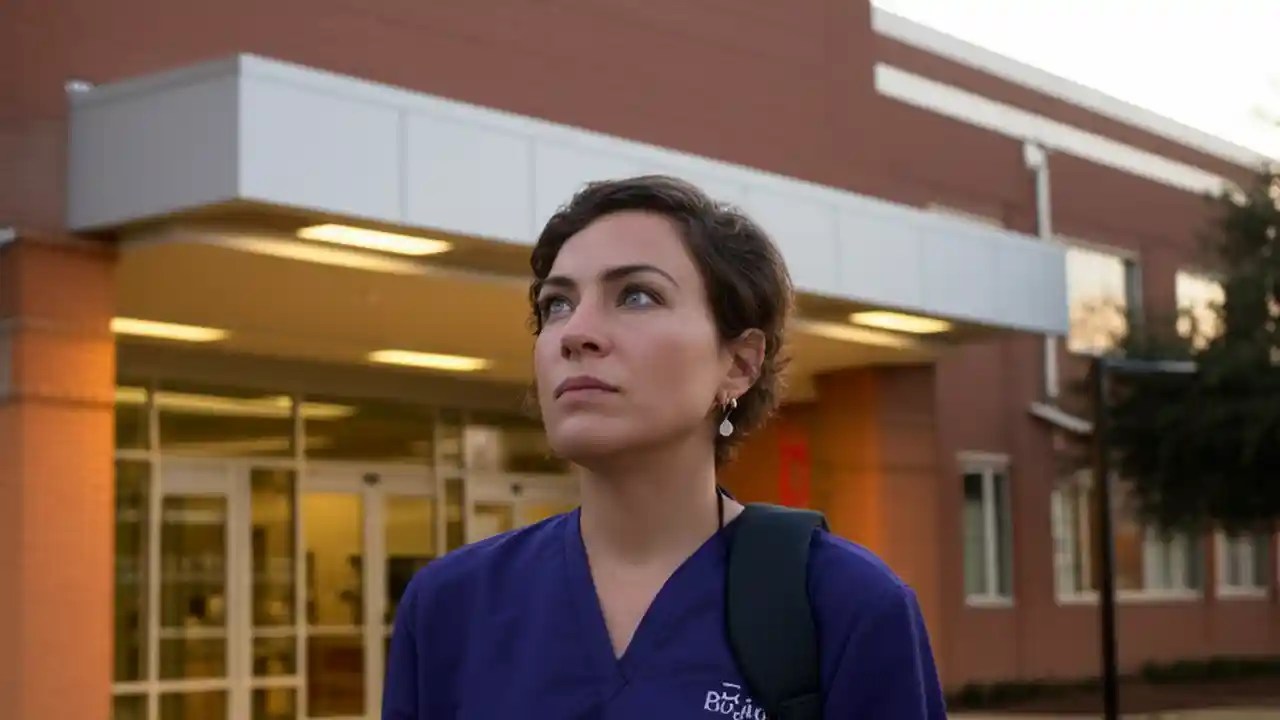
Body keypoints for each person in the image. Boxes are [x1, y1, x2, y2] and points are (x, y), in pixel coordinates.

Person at [382, 175, 947, 719]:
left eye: (637, 295)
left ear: (740, 362)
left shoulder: (846, 605)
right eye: (556, 304)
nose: (576, 332)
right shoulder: (451, 605)